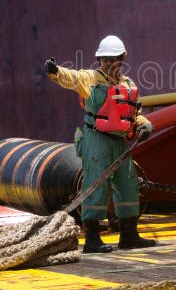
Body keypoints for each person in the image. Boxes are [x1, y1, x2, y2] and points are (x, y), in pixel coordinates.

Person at [45, 35, 156, 253]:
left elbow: (135, 113)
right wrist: (55, 71)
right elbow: (71, 78)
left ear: (122, 59)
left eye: (113, 59)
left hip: (120, 142)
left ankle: (129, 235)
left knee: (128, 184)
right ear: (99, 60)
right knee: (96, 185)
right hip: (96, 139)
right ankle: (93, 239)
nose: (108, 63)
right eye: (104, 59)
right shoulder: (90, 78)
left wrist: (144, 125)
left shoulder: (128, 84)